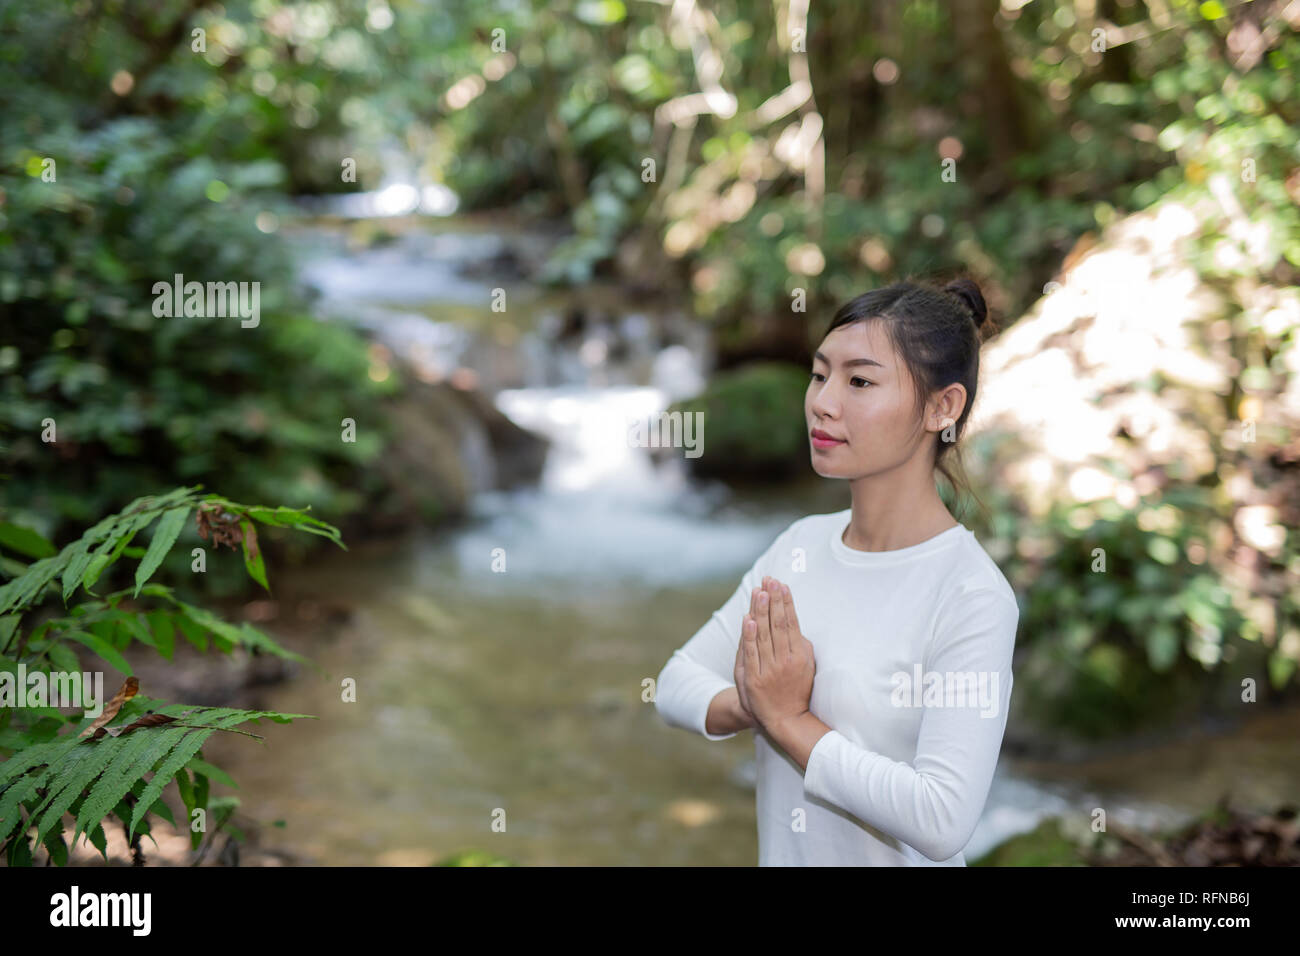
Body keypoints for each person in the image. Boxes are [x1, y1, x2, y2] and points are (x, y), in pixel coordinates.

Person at [654, 276, 1020, 866]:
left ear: (942, 407)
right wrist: (751, 703)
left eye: (859, 381)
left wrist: (790, 720)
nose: (824, 401)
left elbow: (943, 818)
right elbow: (675, 683)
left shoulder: (971, 594)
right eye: (820, 374)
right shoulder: (799, 548)